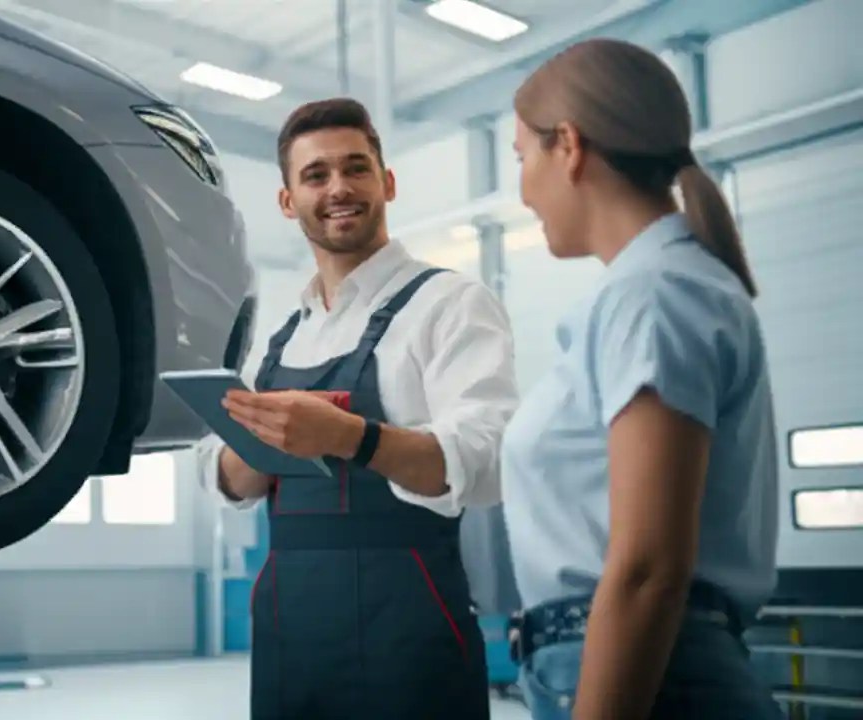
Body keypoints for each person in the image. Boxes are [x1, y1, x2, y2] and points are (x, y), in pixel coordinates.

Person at [195, 97, 519, 719]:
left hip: (411, 633)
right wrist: (250, 458)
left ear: (387, 181)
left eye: (356, 168)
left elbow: (487, 459)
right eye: (316, 175)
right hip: (290, 636)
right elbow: (220, 469)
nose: (339, 188)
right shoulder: (278, 337)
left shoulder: (451, 303)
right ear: (289, 201)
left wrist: (351, 437)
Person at [500, 38, 784, 720]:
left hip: (643, 667)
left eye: (521, 157)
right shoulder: (652, 289)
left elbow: (650, 567)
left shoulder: (654, 294)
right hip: (634, 660)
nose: (523, 189)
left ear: (567, 145)